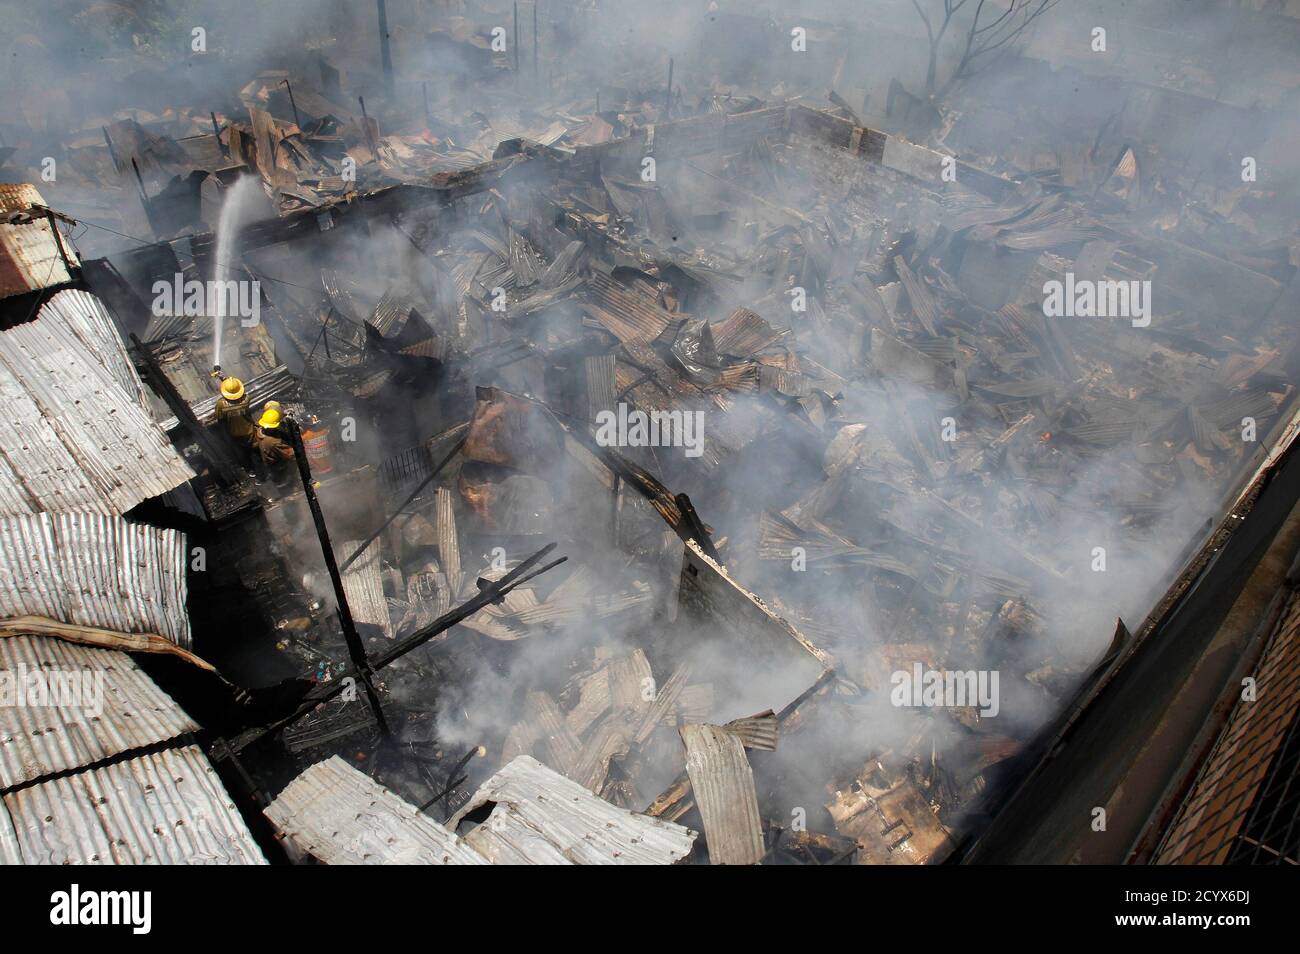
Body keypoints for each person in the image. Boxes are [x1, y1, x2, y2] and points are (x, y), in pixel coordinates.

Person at [214, 377, 255, 444]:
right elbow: (239, 394)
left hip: (235, 435)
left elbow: (220, 421)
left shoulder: (220, 404)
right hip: (250, 431)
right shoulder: (246, 398)